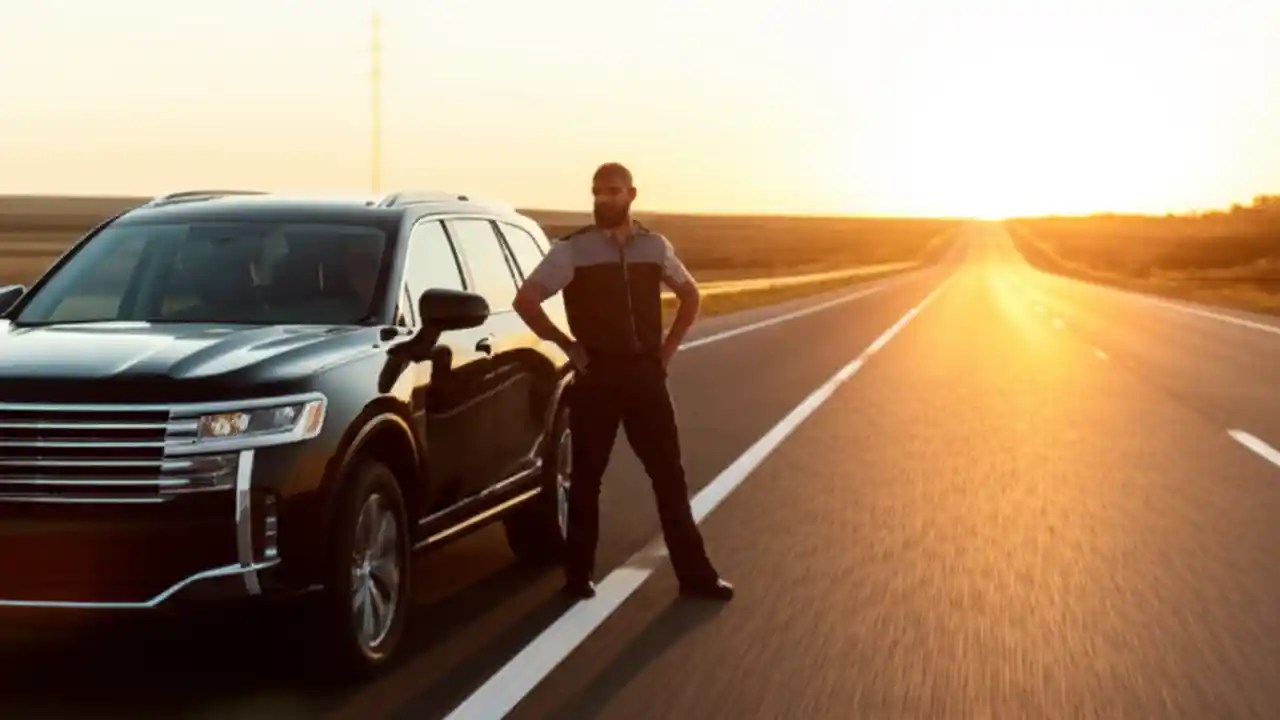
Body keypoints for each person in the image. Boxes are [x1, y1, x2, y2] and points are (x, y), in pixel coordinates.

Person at [512, 162, 734, 601]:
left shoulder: (654, 246)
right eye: (597, 192)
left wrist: (666, 352)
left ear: (632, 194)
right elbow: (526, 300)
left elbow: (690, 295)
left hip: (646, 376)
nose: (602, 200)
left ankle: (696, 576)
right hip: (597, 377)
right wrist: (568, 345)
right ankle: (577, 579)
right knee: (587, 478)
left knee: (669, 476)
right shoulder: (572, 250)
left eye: (612, 192)